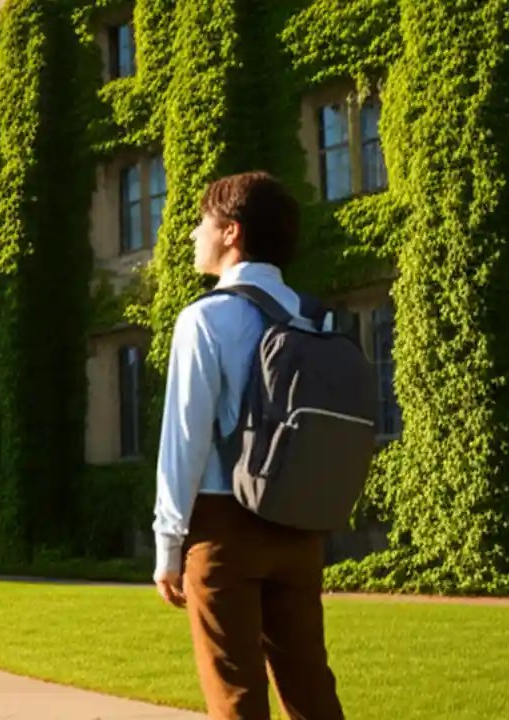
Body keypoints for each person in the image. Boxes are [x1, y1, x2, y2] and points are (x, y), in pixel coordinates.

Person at [152, 171, 344, 720]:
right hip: (297, 522)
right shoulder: (313, 317)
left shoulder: (205, 319)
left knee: (235, 698)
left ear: (231, 232)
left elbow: (184, 440)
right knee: (311, 691)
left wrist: (168, 545)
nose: (192, 234)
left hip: (222, 525)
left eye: (201, 223)